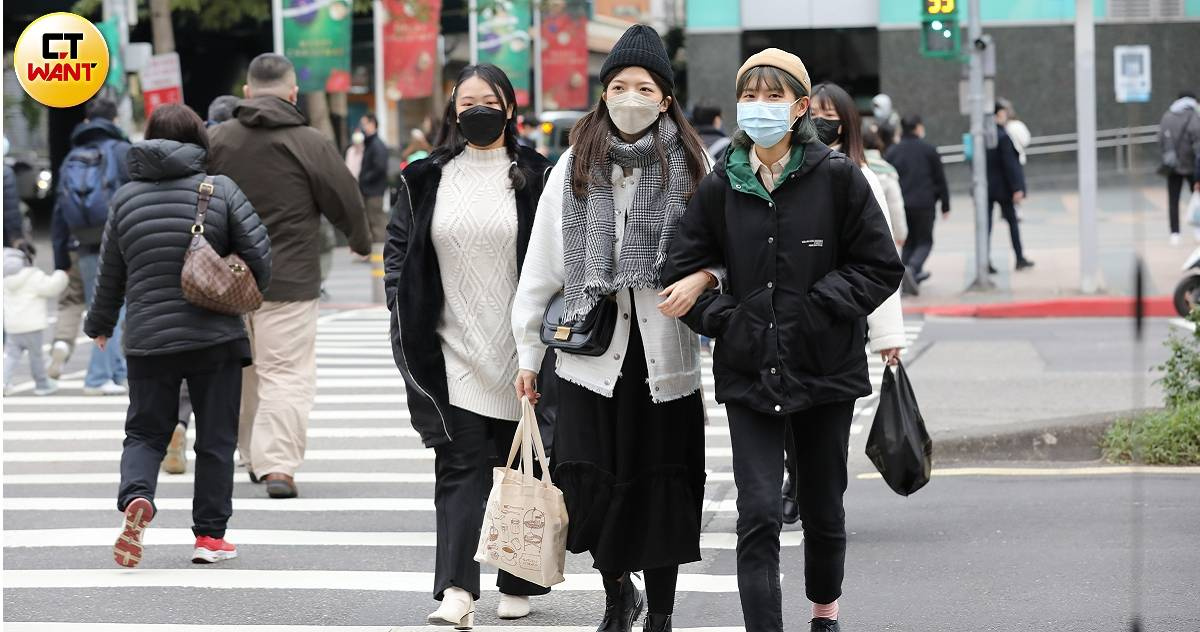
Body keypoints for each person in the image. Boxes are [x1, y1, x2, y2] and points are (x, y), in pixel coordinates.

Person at [662, 49, 905, 632]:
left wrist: (821, 308)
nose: (759, 108)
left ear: (799, 108)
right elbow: (680, 267)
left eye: (774, 97)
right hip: (749, 370)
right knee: (760, 511)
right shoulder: (723, 183)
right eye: (750, 95)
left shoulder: (839, 178)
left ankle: (824, 611)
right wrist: (729, 319)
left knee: (822, 507)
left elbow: (880, 266)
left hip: (826, 369)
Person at [512, 24, 715, 632]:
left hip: (664, 357)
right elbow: (541, 267)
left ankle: (664, 613)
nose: (630, 96)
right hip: (590, 357)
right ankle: (616, 597)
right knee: (596, 490)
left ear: (666, 98)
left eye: (644, 86)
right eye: (619, 85)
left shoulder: (692, 166)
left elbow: (718, 252)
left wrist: (704, 279)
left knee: (662, 488)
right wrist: (526, 355)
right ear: (603, 94)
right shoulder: (574, 167)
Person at [383, 62, 557, 628]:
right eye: (464, 103)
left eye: (487, 101)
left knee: (522, 464)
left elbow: (559, 260)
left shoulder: (541, 176)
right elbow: (398, 256)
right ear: (453, 112)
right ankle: (457, 590)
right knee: (459, 467)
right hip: (450, 347)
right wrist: (399, 306)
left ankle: (517, 578)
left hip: (522, 348)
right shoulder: (422, 178)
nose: (475, 111)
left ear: (509, 108)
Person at [82, 103, 271, 568]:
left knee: (145, 431)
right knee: (215, 439)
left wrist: (100, 324)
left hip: (148, 339)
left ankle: (137, 498)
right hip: (216, 338)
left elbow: (110, 273)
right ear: (198, 138)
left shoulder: (125, 199)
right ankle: (209, 538)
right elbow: (260, 254)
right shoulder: (219, 189)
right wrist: (241, 282)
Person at [209, 53, 371, 499]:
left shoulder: (218, 139)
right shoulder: (310, 141)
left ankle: (250, 457)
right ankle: (277, 464)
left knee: (244, 371)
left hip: (226, 278)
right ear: (293, 93)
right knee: (286, 372)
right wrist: (359, 240)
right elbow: (347, 198)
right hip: (291, 277)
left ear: (247, 92)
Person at [50, 96, 131, 395]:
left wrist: (61, 258)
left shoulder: (73, 156)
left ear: (87, 121)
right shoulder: (123, 152)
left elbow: (59, 211)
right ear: (115, 120)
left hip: (83, 242)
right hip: (119, 240)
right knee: (117, 309)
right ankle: (97, 377)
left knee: (99, 305)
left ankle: (116, 371)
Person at [886, 114, 949, 287]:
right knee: (924, 242)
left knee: (909, 241)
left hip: (902, 203)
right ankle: (912, 270)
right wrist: (945, 205)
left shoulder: (893, 151)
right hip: (924, 204)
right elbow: (940, 179)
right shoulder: (929, 149)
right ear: (918, 127)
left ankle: (906, 277)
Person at [4, 247, 68, 396]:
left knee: (11, 356)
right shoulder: (33, 276)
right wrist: (61, 274)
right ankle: (42, 384)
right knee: (36, 357)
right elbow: (51, 287)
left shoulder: (5, 281)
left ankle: (3, 382)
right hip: (32, 326)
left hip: (13, 327)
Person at [987, 103, 1034, 272]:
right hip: (1003, 189)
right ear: (999, 114)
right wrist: (1017, 187)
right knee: (1012, 223)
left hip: (986, 188)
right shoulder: (1003, 136)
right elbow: (1010, 165)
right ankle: (1019, 258)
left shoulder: (983, 136)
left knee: (986, 226)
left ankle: (985, 261)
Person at [1159, 92, 1200, 244]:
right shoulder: (1193, 116)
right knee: (1197, 197)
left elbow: (1161, 138)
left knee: (1173, 200)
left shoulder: (1167, 115)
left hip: (1173, 164)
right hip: (1192, 165)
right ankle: (1198, 231)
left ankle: (1175, 234)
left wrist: (1168, 156)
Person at [863, 124, 908, 248]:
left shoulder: (849, 165)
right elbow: (896, 207)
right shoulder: (887, 170)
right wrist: (901, 234)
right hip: (883, 236)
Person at [358, 113, 390, 245]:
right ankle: (377, 255)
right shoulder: (371, 143)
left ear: (372, 124)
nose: (362, 127)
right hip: (370, 190)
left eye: (364, 124)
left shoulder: (376, 144)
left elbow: (380, 167)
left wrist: (365, 179)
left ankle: (381, 255)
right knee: (372, 222)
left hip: (374, 191)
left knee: (377, 223)